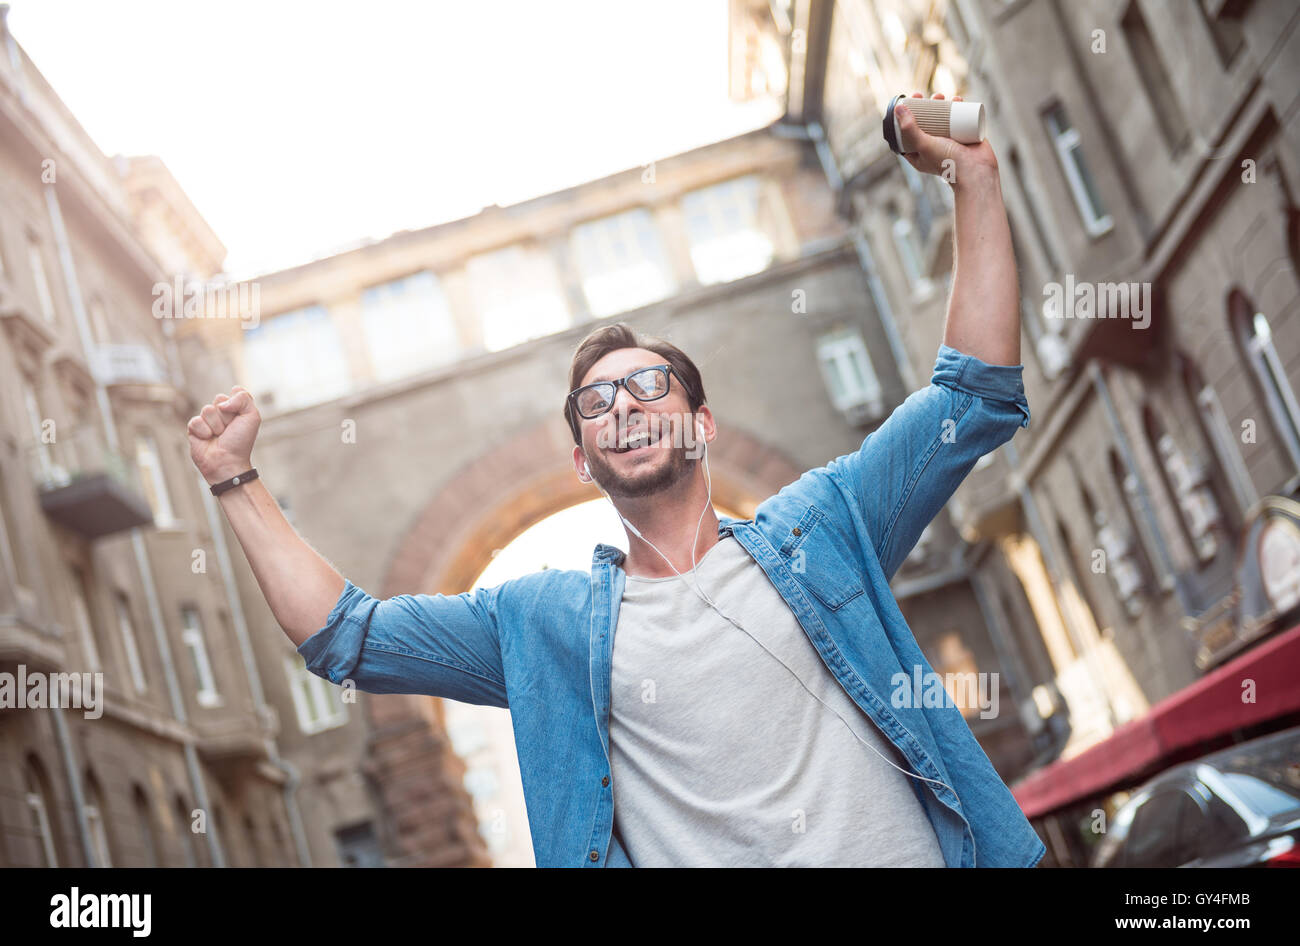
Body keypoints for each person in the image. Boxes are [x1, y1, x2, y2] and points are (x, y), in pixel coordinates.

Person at [187, 93, 1044, 867]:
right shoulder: (542, 627)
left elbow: (969, 394)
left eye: (647, 385)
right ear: (581, 458)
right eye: (593, 401)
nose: (622, 406)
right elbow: (350, 638)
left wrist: (974, 178)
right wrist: (235, 481)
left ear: (700, 425)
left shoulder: (825, 526)